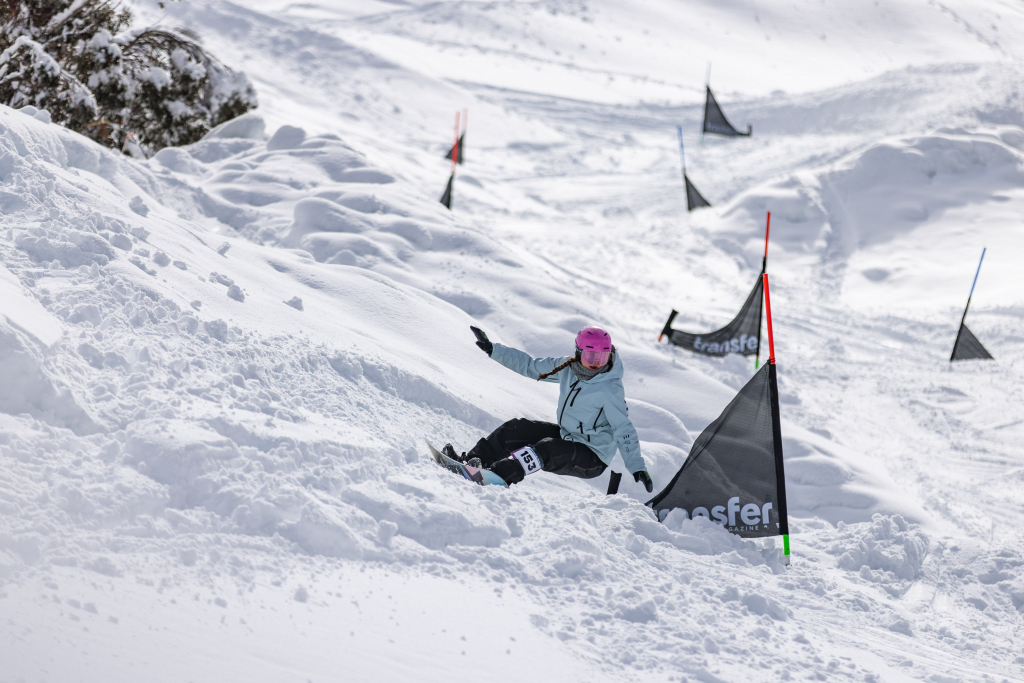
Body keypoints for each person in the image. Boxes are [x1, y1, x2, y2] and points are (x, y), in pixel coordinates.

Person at [443, 325, 653, 491]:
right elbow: (531, 366)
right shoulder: (568, 368)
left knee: (546, 449)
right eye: (591, 357)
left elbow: (624, 429)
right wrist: (494, 350)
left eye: (602, 357)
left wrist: (637, 466)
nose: (597, 365)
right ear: (579, 353)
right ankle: (472, 463)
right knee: (516, 429)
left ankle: (498, 475)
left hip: (593, 456)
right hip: (568, 436)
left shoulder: (610, 388)